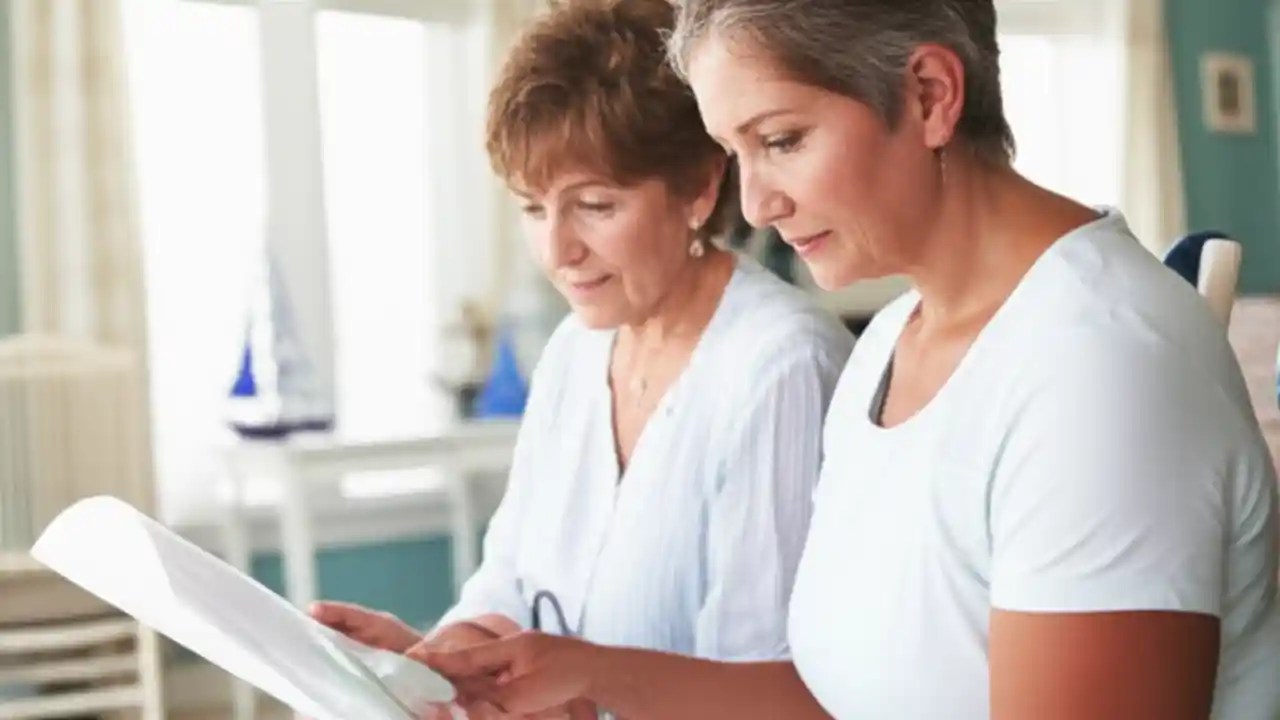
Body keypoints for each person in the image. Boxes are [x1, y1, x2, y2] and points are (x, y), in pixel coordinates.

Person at [419, 1, 1280, 718]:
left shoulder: (1100, 370)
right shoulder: (893, 346)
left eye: (783, 140)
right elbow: (828, 700)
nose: (755, 201)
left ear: (932, 94)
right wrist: (576, 672)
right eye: (737, 152)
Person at [311, 0, 854, 717]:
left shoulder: (779, 368)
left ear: (699, 185)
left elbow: (769, 686)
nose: (558, 253)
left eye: (595, 205)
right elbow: (510, 580)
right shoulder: (577, 349)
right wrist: (433, 663)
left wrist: (581, 683)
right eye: (535, 209)